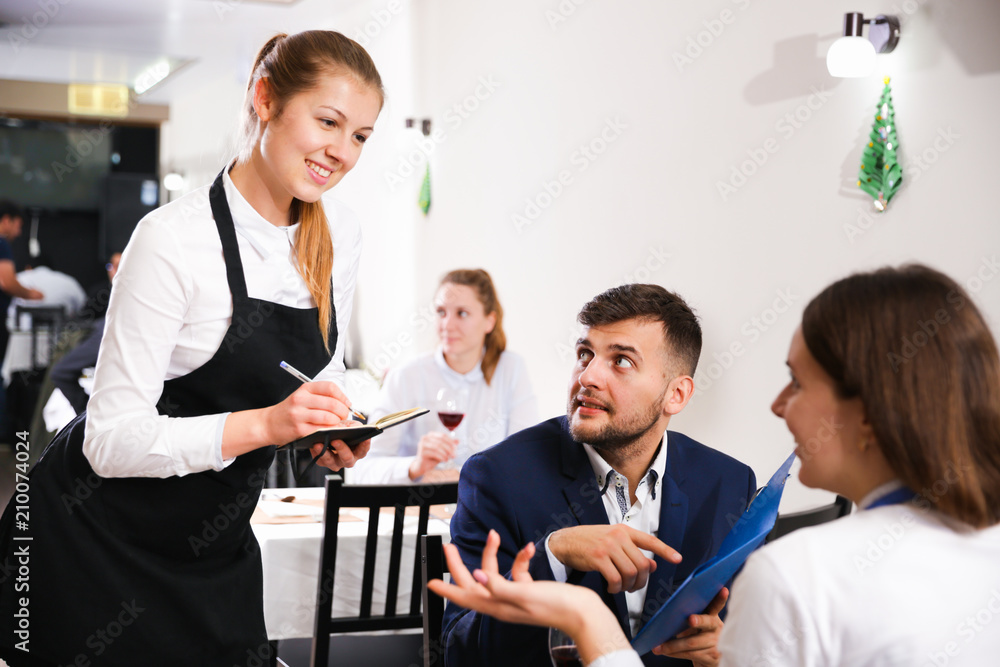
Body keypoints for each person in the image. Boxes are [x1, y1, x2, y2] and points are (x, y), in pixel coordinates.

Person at [0, 30, 384, 666]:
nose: (342, 151)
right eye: (329, 122)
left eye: (361, 136)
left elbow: (318, 369)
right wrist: (265, 423)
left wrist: (326, 424)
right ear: (265, 100)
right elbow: (110, 440)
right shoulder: (173, 240)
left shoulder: (341, 234)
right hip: (94, 543)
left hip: (214, 544)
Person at [443, 283, 757, 667]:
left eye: (621, 361)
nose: (588, 376)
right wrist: (554, 554)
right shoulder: (498, 477)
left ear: (676, 394)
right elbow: (458, 652)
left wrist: (727, 650)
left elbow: (758, 636)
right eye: (584, 354)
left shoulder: (729, 483)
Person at [717, 264, 1000, 666]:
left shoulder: (797, 577)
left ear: (868, 409)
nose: (777, 405)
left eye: (796, 382)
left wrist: (603, 641)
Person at [350, 268, 537, 483]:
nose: (447, 325)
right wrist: (414, 466)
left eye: (462, 313)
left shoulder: (511, 369)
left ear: (489, 321)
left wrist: (468, 478)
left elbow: (526, 458)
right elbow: (363, 470)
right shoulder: (406, 376)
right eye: (441, 312)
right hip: (419, 511)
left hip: (485, 511)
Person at [49, 254, 122, 415]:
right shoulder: (99, 293)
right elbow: (82, 321)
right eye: (112, 266)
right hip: (93, 355)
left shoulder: (134, 297)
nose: (116, 270)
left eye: (121, 264)